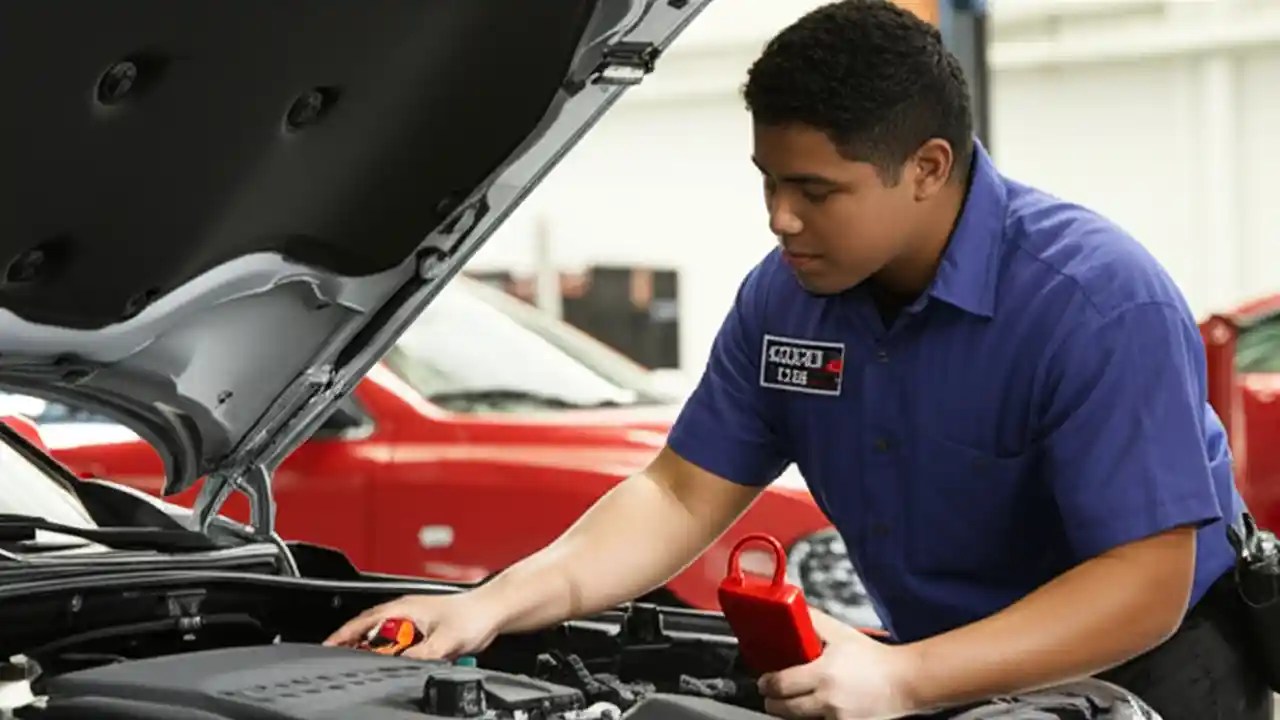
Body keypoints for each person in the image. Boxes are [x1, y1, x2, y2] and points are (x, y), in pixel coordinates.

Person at [325, 2, 1272, 717]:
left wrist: (902, 677)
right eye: (770, 183)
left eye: (815, 190)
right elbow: (679, 496)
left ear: (929, 168)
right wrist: (493, 603)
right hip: (932, 671)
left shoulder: (1094, 301)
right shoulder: (786, 299)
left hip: (1149, 674)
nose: (780, 217)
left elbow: (1144, 583)